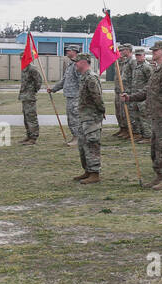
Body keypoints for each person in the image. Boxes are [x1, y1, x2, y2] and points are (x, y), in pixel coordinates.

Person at [120, 40, 162, 189]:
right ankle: (159, 176)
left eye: (155, 50)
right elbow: (147, 91)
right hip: (157, 116)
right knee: (156, 148)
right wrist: (130, 97)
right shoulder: (157, 70)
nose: (152, 52)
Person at [71, 53, 106, 183]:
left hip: (92, 117)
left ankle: (94, 173)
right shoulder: (83, 77)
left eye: (77, 61)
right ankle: (87, 170)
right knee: (83, 145)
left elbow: (97, 97)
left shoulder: (91, 78)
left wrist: (101, 110)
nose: (75, 64)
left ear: (84, 62)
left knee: (92, 144)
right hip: (84, 117)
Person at [47, 47, 82, 149]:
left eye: (69, 50)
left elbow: (82, 81)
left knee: (75, 117)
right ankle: (75, 136)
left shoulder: (78, 65)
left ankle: (78, 138)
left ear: (74, 52)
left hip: (76, 96)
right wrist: (53, 89)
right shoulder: (70, 65)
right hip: (70, 96)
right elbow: (64, 81)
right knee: (71, 118)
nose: (67, 52)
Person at [17, 50, 44, 144]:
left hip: (30, 96)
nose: (21, 59)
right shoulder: (24, 68)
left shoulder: (32, 68)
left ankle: (33, 137)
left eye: (22, 57)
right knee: (26, 117)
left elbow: (39, 81)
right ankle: (28, 135)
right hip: (24, 96)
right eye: (20, 58)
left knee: (31, 117)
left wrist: (33, 91)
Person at [126, 47, 151, 140]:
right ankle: (139, 134)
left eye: (140, 55)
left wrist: (145, 91)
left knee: (144, 116)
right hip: (135, 95)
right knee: (135, 116)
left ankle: (148, 136)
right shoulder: (136, 66)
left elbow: (150, 81)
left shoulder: (146, 67)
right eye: (136, 55)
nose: (138, 57)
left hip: (143, 96)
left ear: (144, 56)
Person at [113, 45, 132, 138]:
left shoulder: (130, 62)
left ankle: (128, 130)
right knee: (119, 111)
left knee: (125, 112)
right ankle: (122, 128)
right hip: (118, 90)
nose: (119, 53)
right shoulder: (119, 63)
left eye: (122, 51)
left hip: (125, 90)